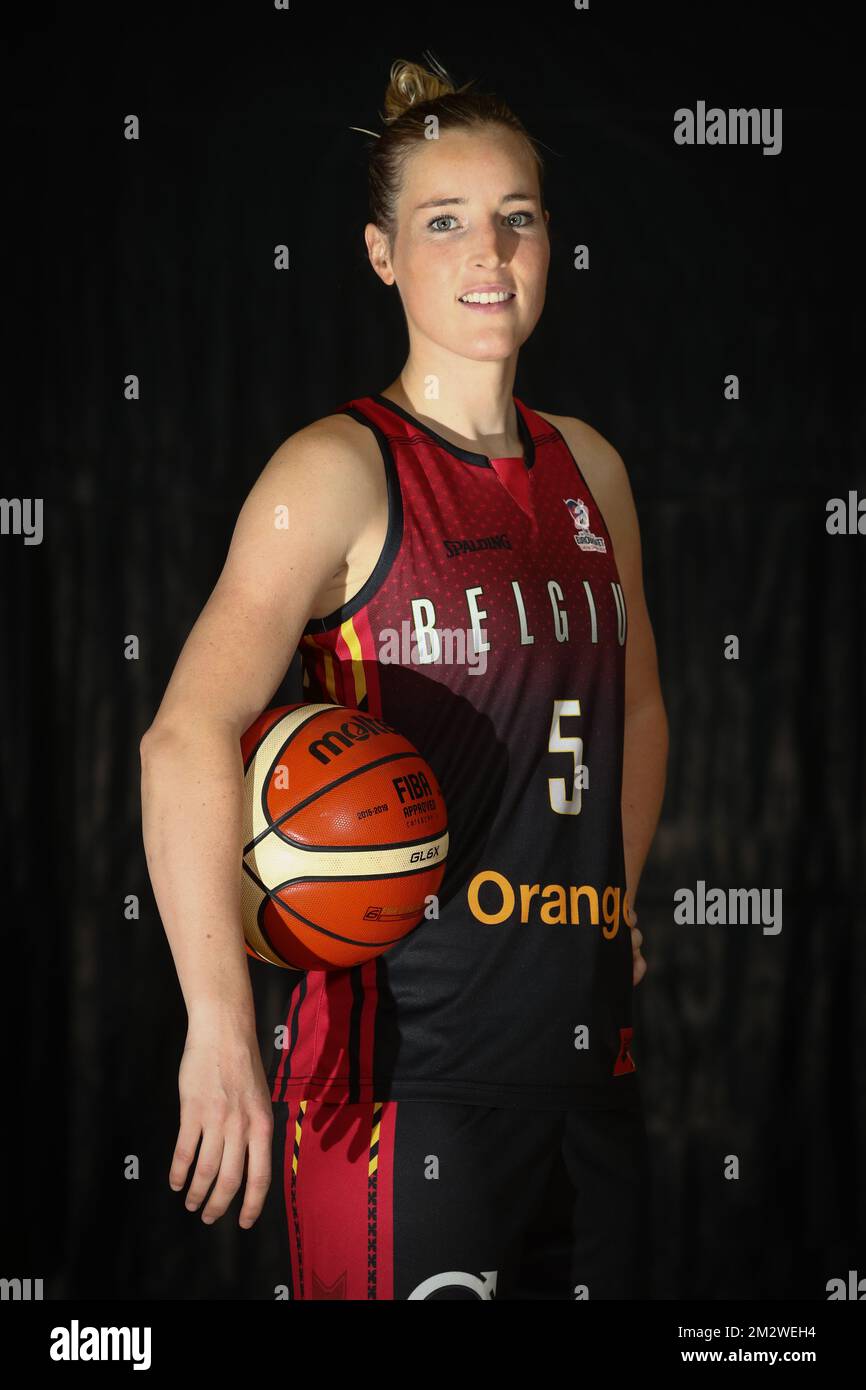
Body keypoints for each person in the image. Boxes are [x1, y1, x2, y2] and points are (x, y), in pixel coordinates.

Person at [140, 52, 668, 1300]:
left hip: (584, 1073)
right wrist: (217, 1024)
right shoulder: (335, 469)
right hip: (396, 1083)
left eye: (515, 220)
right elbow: (184, 735)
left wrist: (614, 899)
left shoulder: (590, 468)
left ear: (547, 242)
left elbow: (634, 704)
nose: (488, 254)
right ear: (381, 253)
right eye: (444, 223)